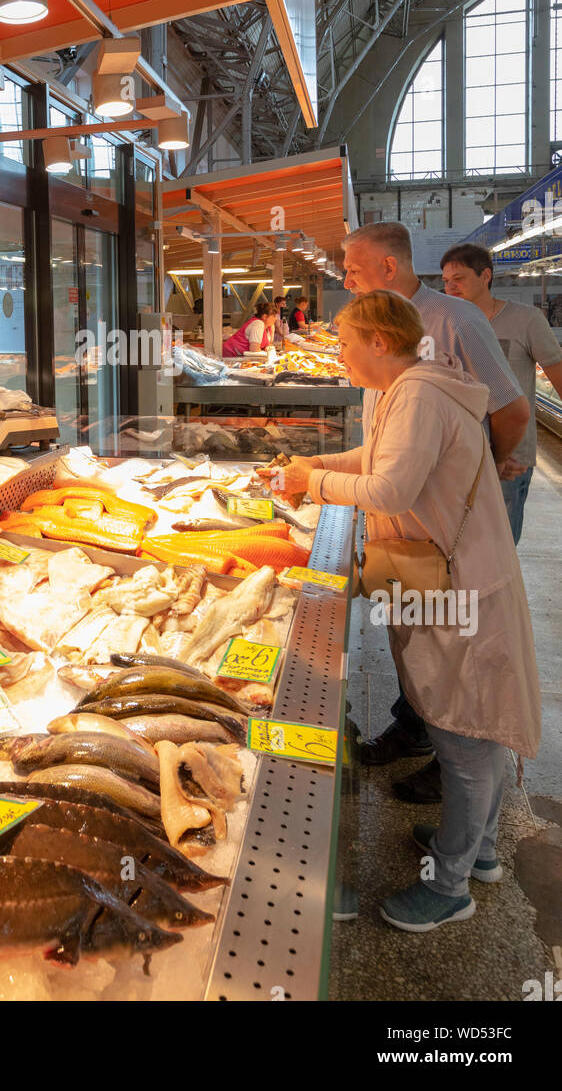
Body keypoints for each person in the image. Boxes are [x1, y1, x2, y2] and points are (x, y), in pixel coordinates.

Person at [281, 290, 540, 933]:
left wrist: (309, 483)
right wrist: (317, 463)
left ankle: (452, 886)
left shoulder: (420, 393)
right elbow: (379, 462)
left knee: (466, 736)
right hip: (450, 578)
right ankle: (474, 848)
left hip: (461, 589)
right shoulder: (414, 387)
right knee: (465, 724)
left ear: (378, 340)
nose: (338, 355)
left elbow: (390, 487)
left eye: (343, 342)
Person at [342, 221, 528, 802]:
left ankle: (453, 764)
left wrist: (481, 467)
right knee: (419, 630)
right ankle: (423, 728)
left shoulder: (455, 320)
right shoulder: (382, 334)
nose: (345, 280)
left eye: (352, 269)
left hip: (452, 518)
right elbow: (388, 451)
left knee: (458, 646)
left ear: (388, 267)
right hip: (411, 521)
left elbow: (512, 408)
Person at [441, 242, 562, 544]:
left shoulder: (526, 320)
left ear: (485, 276)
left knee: (498, 548)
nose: (450, 287)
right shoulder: (444, 322)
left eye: (459, 278)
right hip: (457, 454)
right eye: (445, 281)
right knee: (457, 549)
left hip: (510, 459)